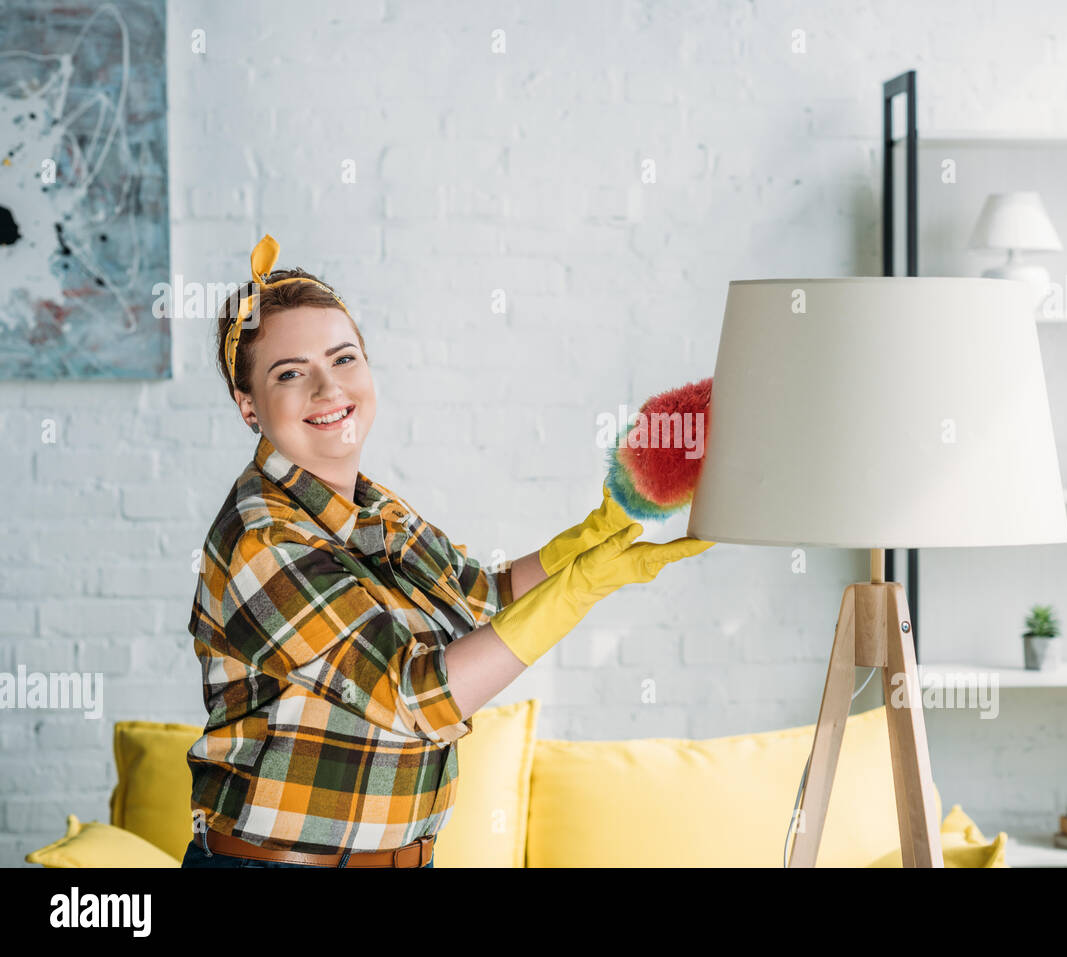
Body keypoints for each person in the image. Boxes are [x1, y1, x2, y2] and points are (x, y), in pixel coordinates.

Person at [182, 234, 712, 868]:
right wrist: (579, 590)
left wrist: (592, 533)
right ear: (248, 405)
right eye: (291, 373)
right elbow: (416, 696)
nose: (328, 388)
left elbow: (479, 596)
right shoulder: (263, 537)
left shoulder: (371, 507)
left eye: (344, 358)